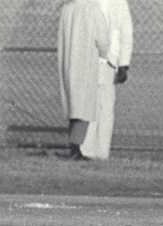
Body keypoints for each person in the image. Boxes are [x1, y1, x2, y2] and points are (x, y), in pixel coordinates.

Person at [57, 0, 109, 160]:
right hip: (86, 62)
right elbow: (102, 40)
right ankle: (76, 149)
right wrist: (104, 54)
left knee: (74, 104)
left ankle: (74, 146)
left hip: (68, 61)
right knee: (84, 106)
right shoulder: (93, 9)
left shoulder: (66, 10)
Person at [82, 0, 132, 161]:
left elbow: (126, 33)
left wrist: (124, 64)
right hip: (89, 61)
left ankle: (102, 153)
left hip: (109, 63)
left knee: (106, 108)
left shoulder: (120, 4)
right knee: (88, 107)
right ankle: (86, 150)